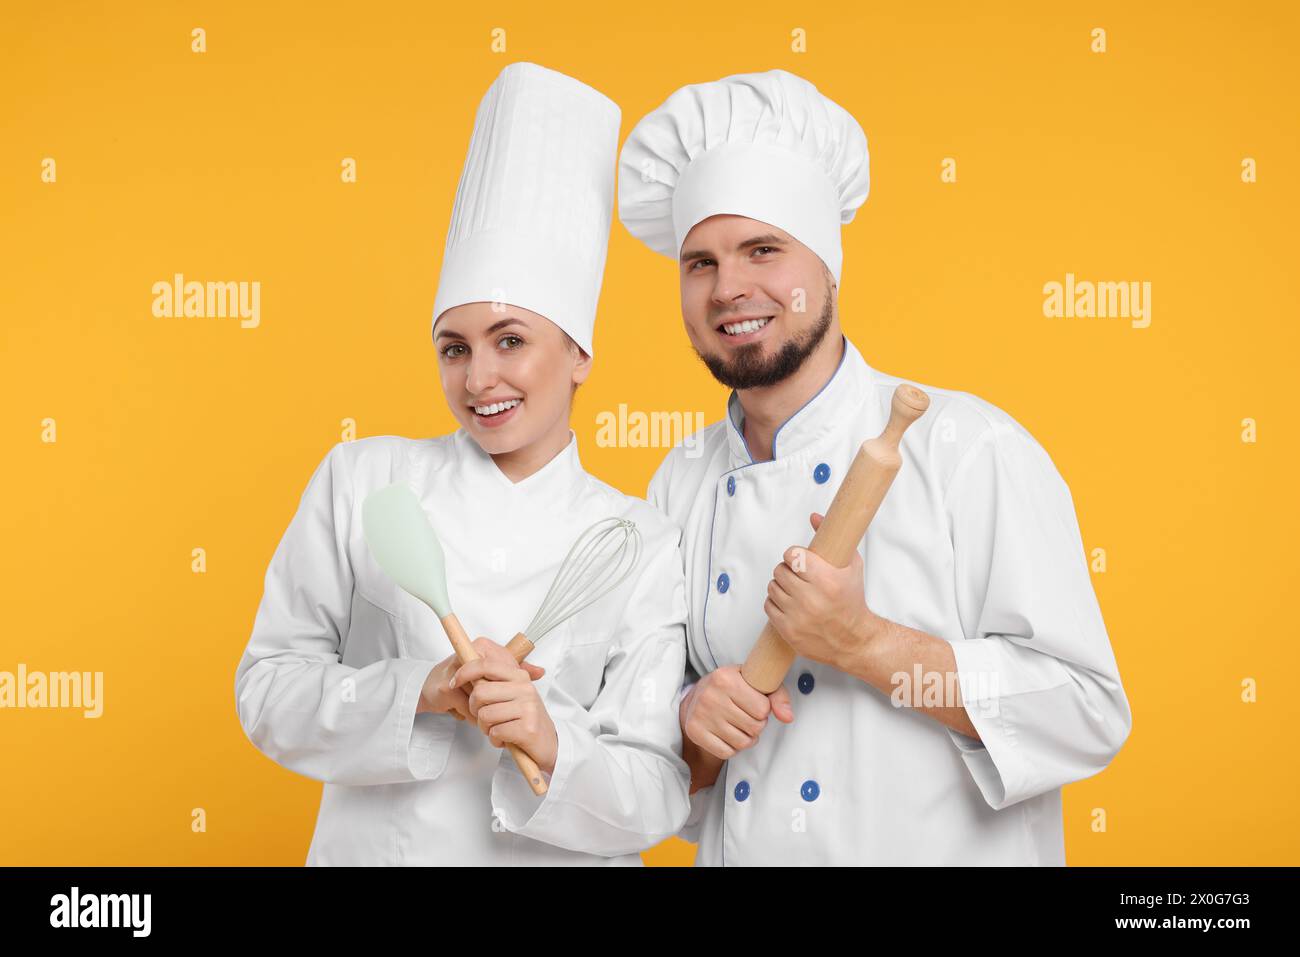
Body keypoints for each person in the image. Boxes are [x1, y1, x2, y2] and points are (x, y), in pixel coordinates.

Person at [618, 68, 1132, 865]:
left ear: (827, 265)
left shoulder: (969, 450)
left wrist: (864, 644)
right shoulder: (677, 485)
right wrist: (691, 723)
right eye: (701, 263)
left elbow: (1085, 711)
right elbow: (656, 776)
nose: (730, 289)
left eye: (763, 250)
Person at [234, 61, 691, 866]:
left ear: (579, 352)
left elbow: (656, 791)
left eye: (510, 340)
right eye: (455, 348)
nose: (478, 379)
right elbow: (266, 689)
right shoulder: (362, 480)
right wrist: (420, 691)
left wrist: (552, 743)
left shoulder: (639, 538)